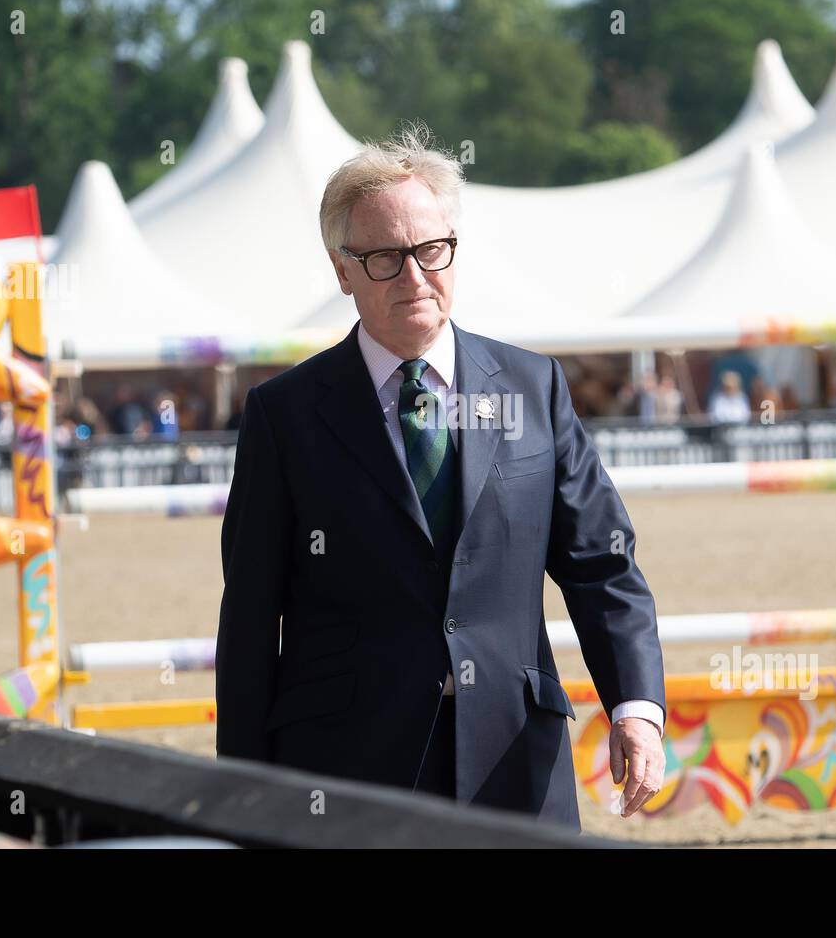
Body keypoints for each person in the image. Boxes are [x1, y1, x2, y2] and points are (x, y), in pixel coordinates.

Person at [215, 123, 666, 828]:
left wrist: (637, 709)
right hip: (344, 774)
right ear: (342, 270)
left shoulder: (534, 386)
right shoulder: (284, 416)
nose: (417, 276)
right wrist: (241, 798)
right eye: (386, 259)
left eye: (431, 250)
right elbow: (247, 623)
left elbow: (600, 564)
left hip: (516, 761)